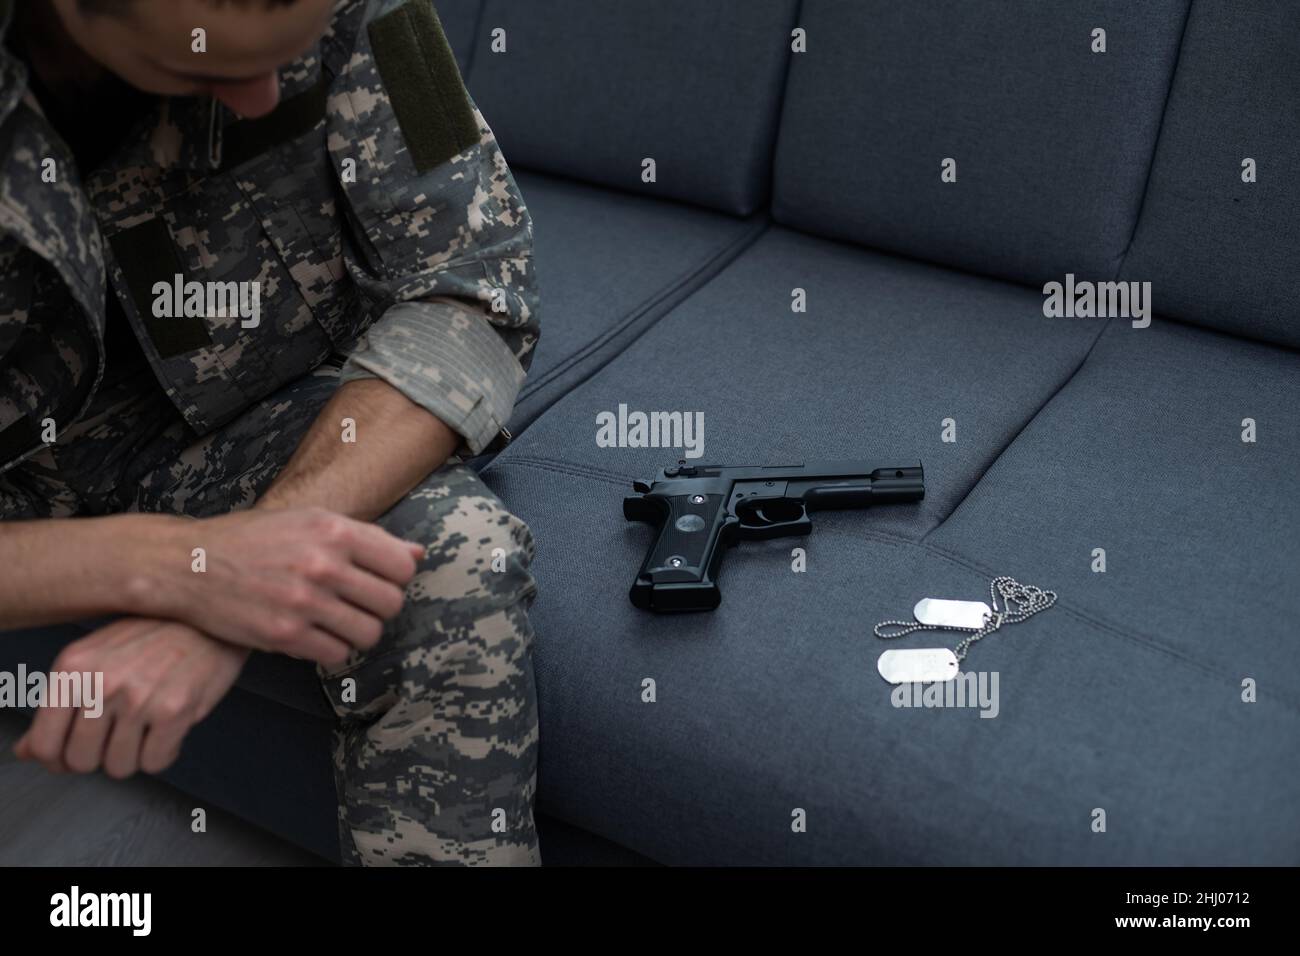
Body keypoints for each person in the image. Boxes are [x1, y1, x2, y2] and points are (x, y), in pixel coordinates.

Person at [0, 0, 542, 866]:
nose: (261, 97)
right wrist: (183, 574)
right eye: (207, 72)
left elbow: (471, 290)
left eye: (285, 61)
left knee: (447, 559)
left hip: (251, 421)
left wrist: (256, 554)